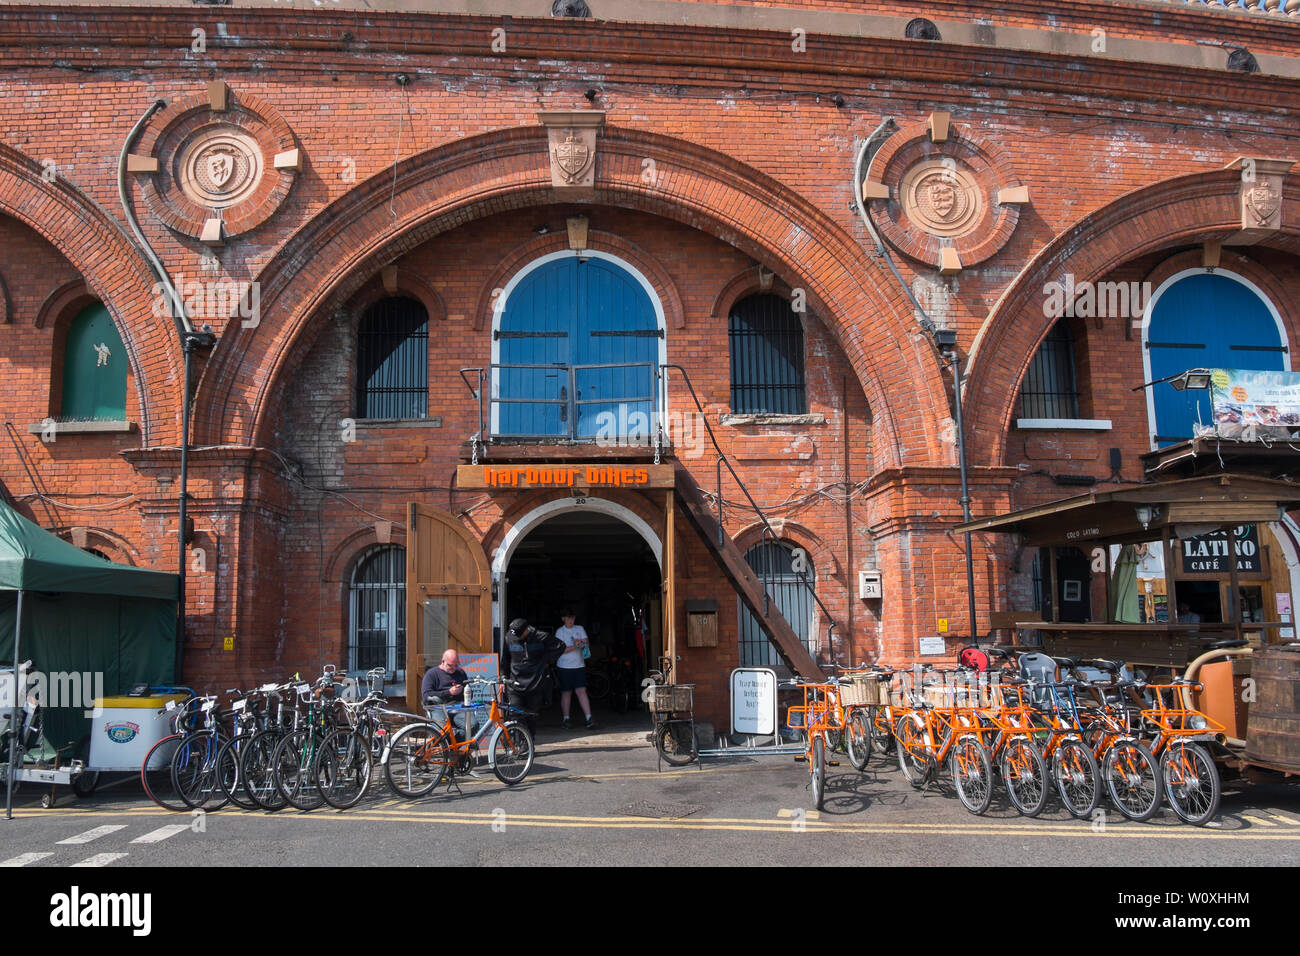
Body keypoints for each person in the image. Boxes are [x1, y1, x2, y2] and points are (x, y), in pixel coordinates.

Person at [500, 617, 566, 736]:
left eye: (520, 635)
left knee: (531, 718)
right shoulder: (509, 637)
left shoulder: (541, 636)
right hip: (515, 684)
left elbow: (561, 646)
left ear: (527, 630)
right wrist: (503, 677)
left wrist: (546, 662)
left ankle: (529, 744)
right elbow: (505, 659)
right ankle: (519, 747)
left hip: (534, 684)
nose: (517, 638)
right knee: (516, 716)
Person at [555, 609, 595, 730]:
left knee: (581, 691)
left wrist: (580, 644)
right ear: (563, 619)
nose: (571, 620)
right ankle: (566, 719)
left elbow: (586, 642)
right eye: (568, 618)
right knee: (566, 693)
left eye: (572, 618)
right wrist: (576, 646)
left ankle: (589, 718)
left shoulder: (579, 628)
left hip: (579, 666)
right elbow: (561, 649)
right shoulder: (560, 632)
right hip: (564, 667)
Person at [421, 649, 473, 736]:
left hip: (457, 707)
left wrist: (462, 691)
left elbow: (469, 693)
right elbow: (426, 695)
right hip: (438, 708)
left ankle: (453, 745)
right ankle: (446, 745)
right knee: (442, 731)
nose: (454, 668)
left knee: (473, 726)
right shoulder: (432, 674)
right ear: (443, 661)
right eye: (450, 665)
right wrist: (449, 692)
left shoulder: (460, 672)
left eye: (456, 665)